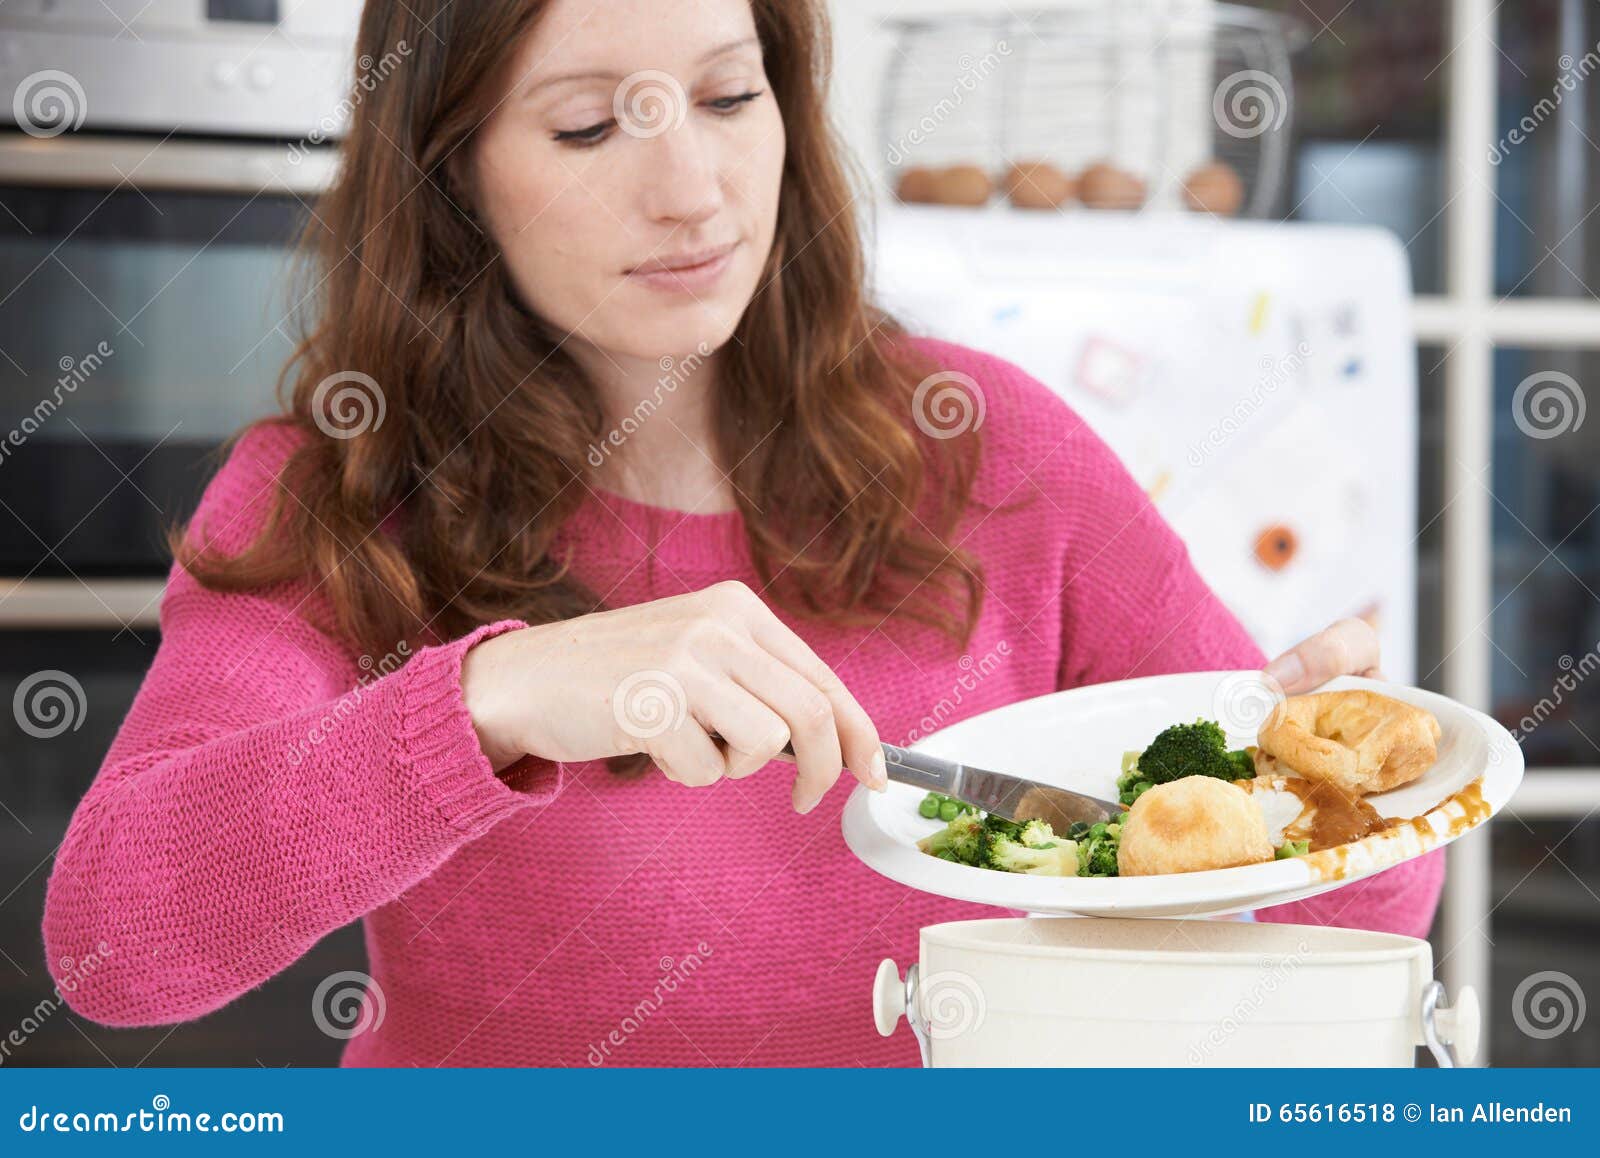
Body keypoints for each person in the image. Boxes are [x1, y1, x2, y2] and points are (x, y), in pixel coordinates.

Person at [42, 0, 1443, 1067]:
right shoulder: (333, 502)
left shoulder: (991, 448)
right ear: (451, 172)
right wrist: (497, 694)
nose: (695, 191)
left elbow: (1334, 936)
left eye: (728, 95)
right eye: (590, 127)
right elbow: (111, 941)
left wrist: (1335, 796)